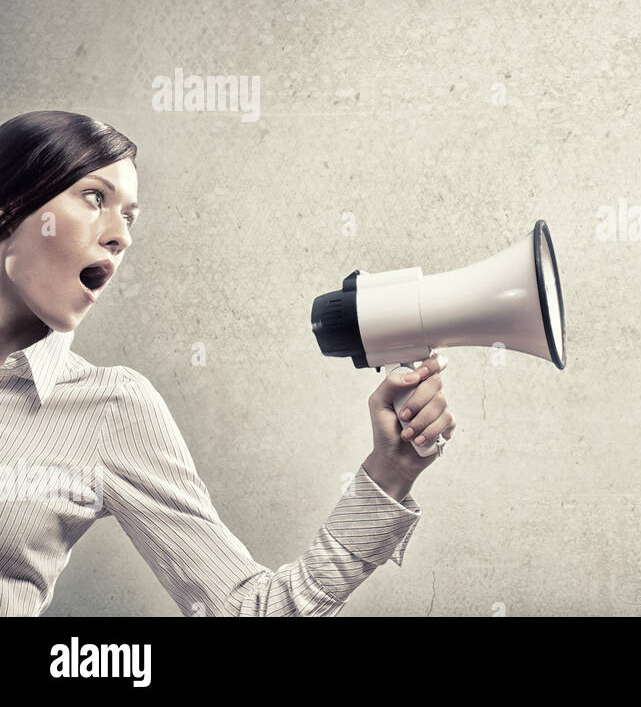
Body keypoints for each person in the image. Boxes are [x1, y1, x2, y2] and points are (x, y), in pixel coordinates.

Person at [0, 110, 457, 616]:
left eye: (129, 217)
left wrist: (389, 473)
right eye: (95, 197)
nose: (121, 237)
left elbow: (250, 611)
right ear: (11, 205)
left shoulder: (108, 409)